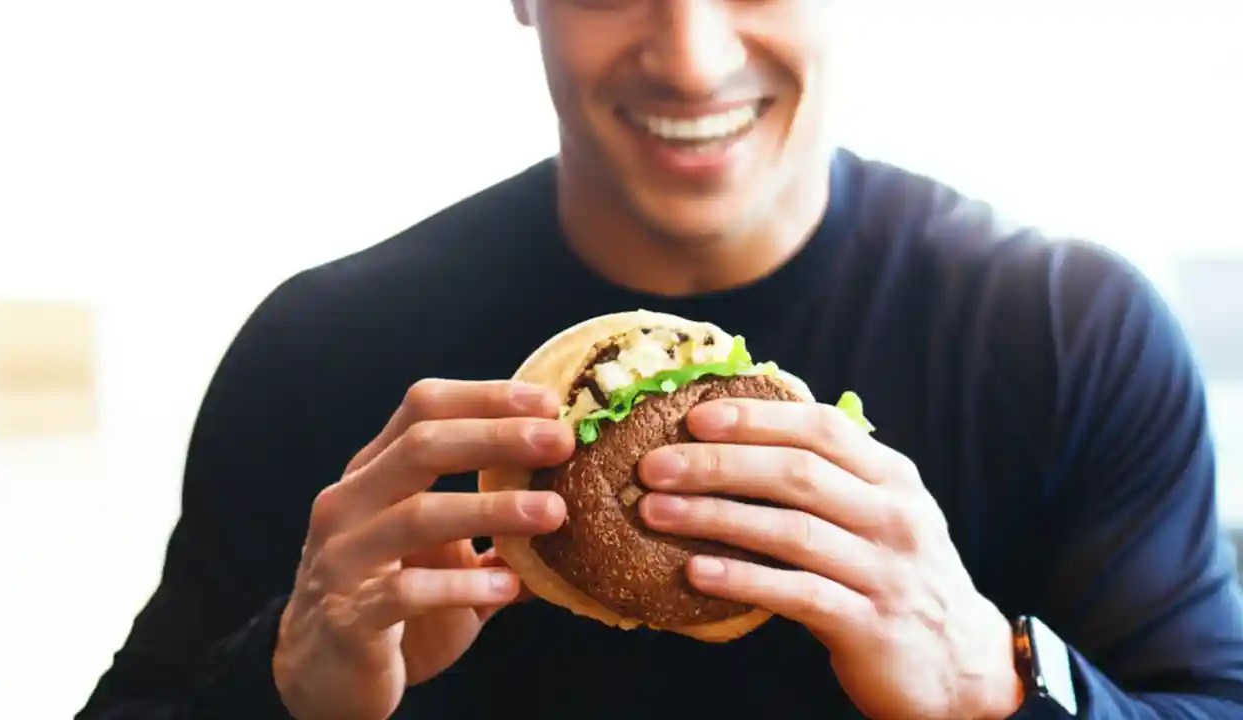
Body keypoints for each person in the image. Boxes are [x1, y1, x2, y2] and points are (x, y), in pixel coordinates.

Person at [79, 2, 1243, 718]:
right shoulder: (319, 350)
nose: (690, 58)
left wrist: (995, 681)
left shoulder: (1065, 332)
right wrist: (282, 689)